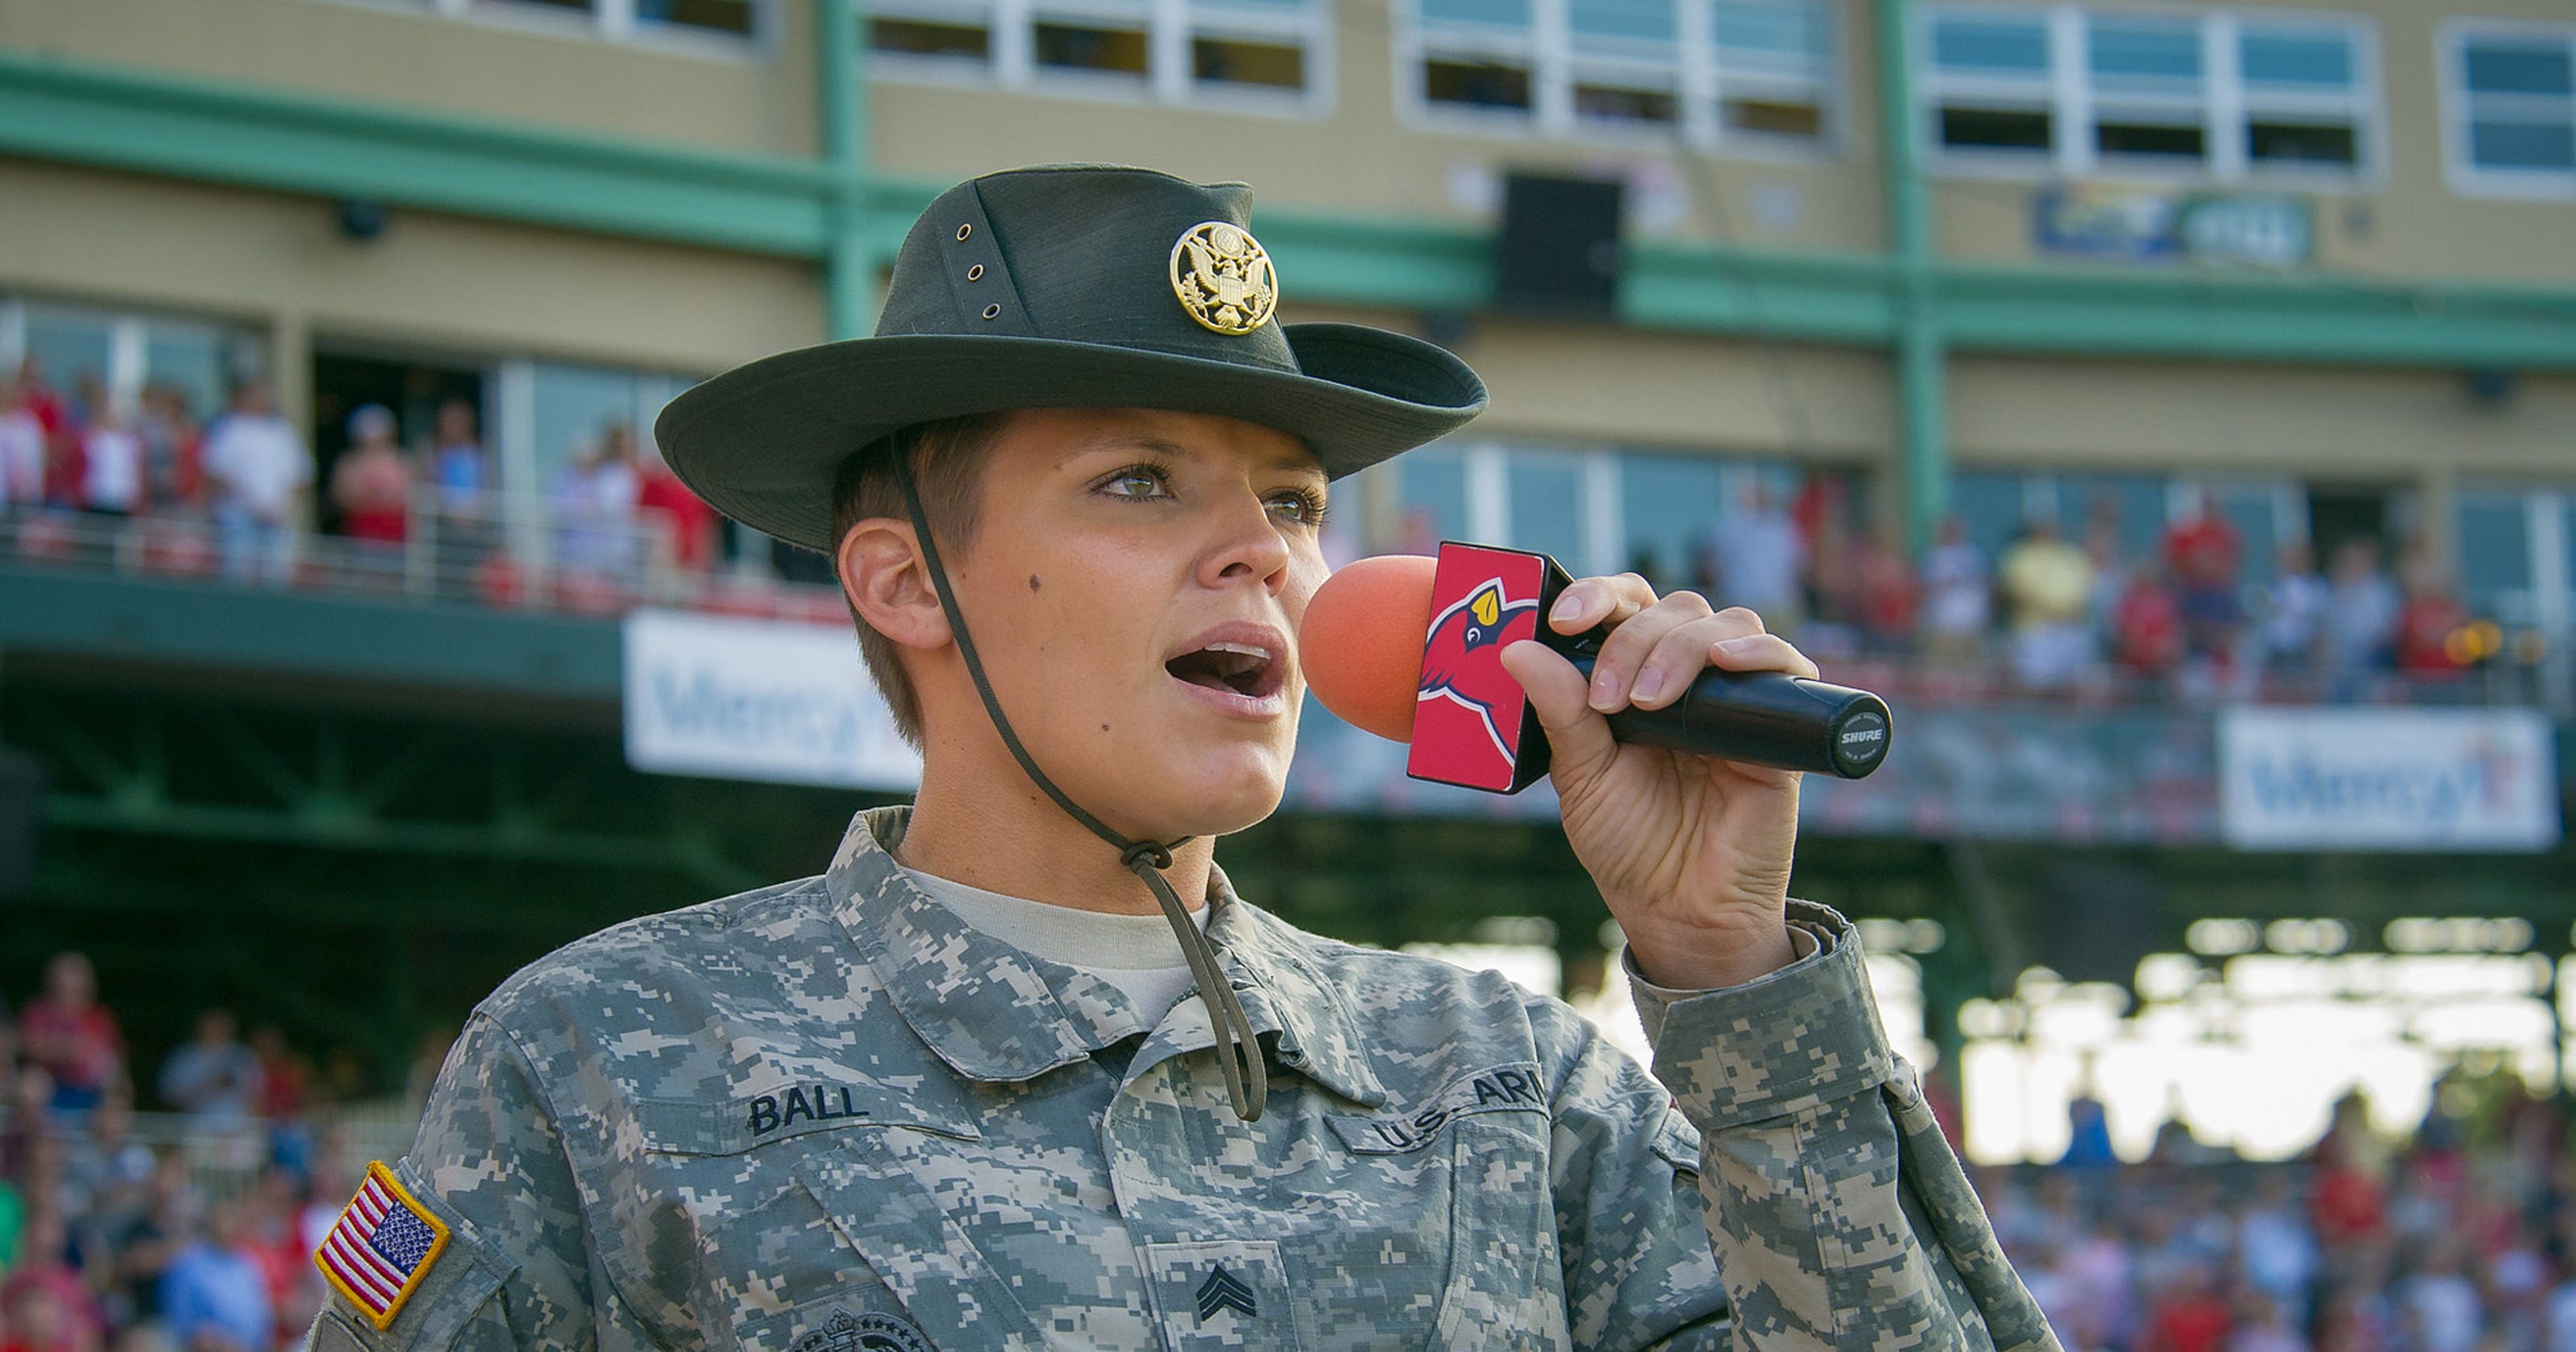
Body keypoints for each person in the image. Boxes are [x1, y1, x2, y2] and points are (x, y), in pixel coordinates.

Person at [301, 167, 2050, 1352]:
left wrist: (1728, 972)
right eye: (1139, 481)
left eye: (1291, 502)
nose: (1262, 558)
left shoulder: (1512, 1091)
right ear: (903, 580)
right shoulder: (605, 1062)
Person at [202, 381, 312, 585]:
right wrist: (252, 506)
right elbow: (217, 473)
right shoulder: (228, 429)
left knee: (277, 576)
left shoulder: (283, 433)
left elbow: (301, 477)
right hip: (238, 518)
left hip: (277, 519)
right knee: (237, 574)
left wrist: (285, 509)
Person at [19, 954, 124, 1119]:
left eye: (77, 990)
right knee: (30, 1085)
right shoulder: (38, 1013)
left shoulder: (100, 1019)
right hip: (50, 1085)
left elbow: (110, 1056)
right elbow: (32, 1047)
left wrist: (61, 1047)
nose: (68, 996)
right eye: (62, 989)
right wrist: (72, 1049)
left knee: (114, 1083)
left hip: (88, 1088)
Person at [1997, 517, 2095, 692]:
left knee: (2078, 687)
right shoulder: (2020, 555)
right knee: (2034, 688)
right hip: (2035, 631)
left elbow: (2084, 594)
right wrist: (2052, 610)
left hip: (2069, 629)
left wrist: (2064, 612)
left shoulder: (2071, 555)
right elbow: (2016, 593)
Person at [329, 405, 412, 557]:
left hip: (396, 538)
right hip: (361, 534)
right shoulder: (349, 463)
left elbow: (413, 497)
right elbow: (340, 496)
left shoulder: (400, 460)